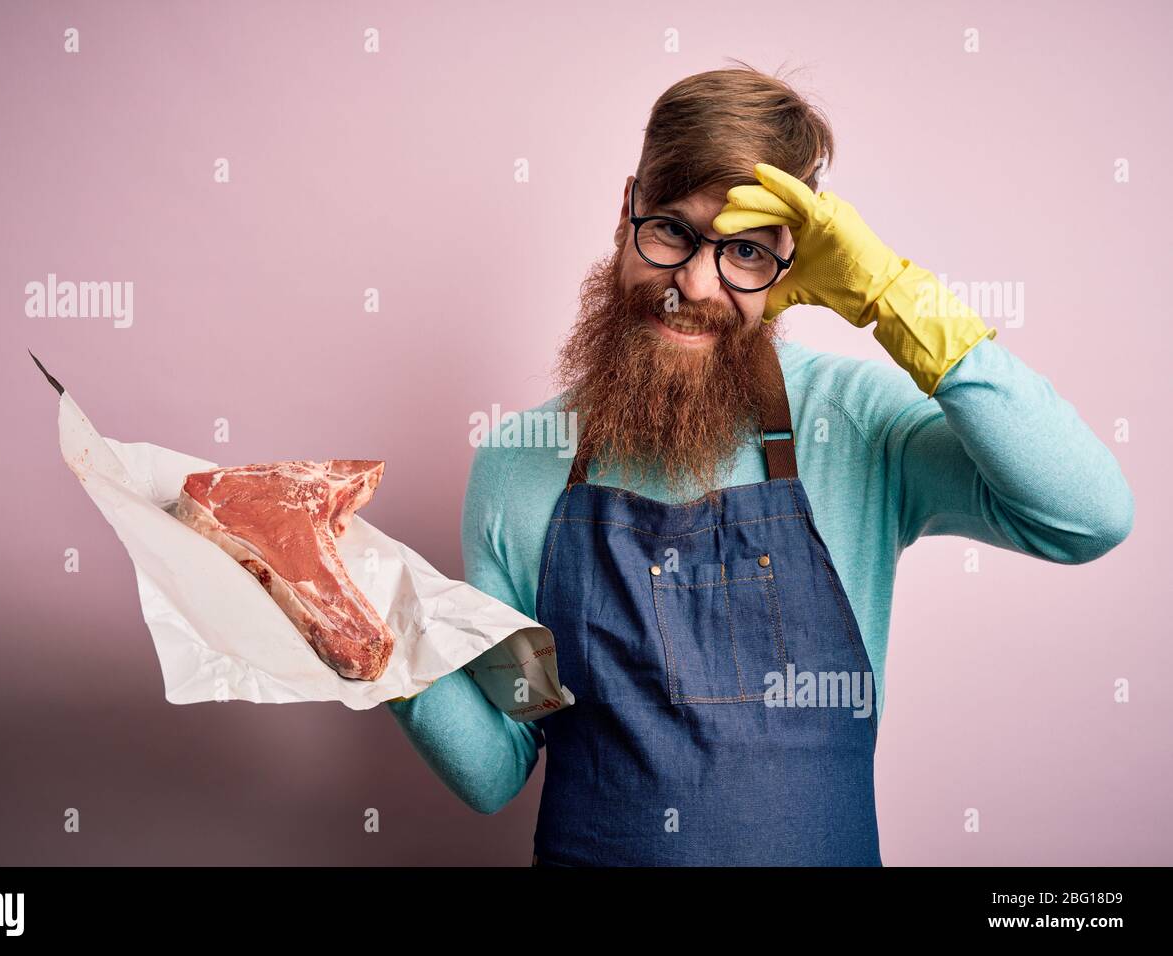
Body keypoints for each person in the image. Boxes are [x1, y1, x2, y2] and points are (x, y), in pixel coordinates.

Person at [386, 63, 1134, 866]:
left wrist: (893, 296)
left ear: (793, 259)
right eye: (670, 229)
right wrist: (375, 628)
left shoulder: (851, 424)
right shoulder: (519, 463)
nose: (695, 286)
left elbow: (1087, 517)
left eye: (743, 252)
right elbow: (501, 758)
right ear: (626, 209)